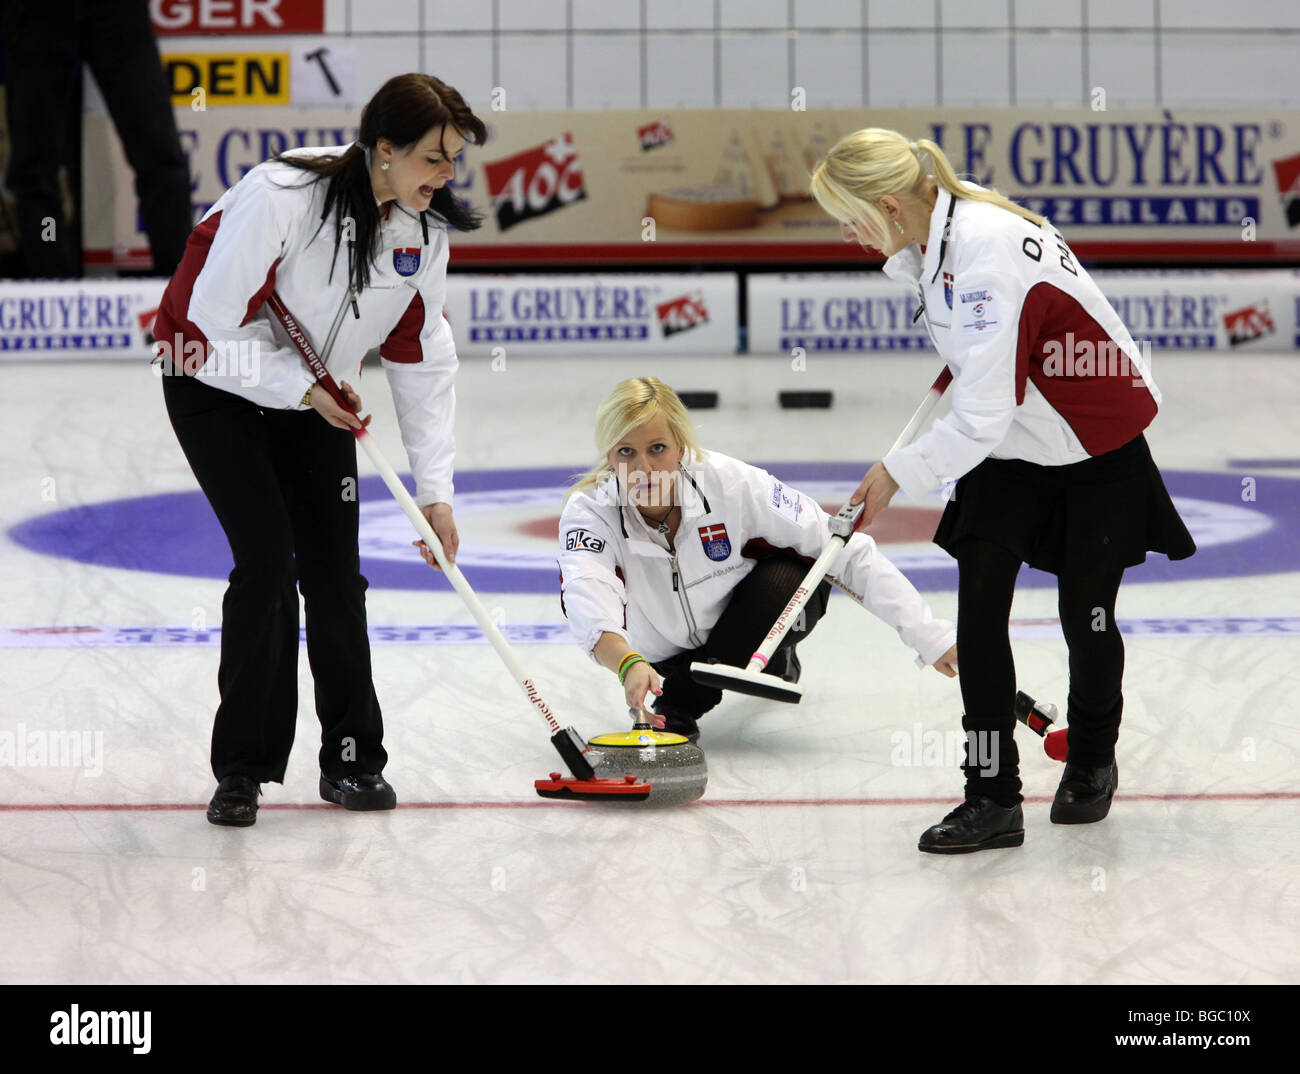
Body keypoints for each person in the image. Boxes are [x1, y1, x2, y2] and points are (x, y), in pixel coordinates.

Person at [810, 128, 1196, 854]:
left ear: (891, 204)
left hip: (1093, 446)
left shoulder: (984, 253)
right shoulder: (936, 240)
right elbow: (990, 392)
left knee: (1086, 616)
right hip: (1013, 445)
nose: (844, 232)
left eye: (849, 215)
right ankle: (991, 798)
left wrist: (898, 474)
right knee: (981, 619)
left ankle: (1090, 760)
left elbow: (983, 411)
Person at [155, 73, 486, 826]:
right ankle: (242, 768)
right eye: (435, 158)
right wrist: (305, 391)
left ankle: (351, 761)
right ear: (383, 148)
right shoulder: (281, 199)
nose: (447, 175)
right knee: (269, 563)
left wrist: (436, 494)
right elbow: (205, 332)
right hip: (212, 377)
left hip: (315, 396)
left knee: (336, 574)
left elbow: (421, 357)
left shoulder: (421, 231)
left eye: (454, 160)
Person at [551, 377, 958, 743]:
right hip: (658, 655)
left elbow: (843, 550)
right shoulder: (590, 511)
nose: (645, 469)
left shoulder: (732, 484)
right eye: (626, 452)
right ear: (608, 456)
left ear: (680, 447)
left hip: (751, 622)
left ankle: (682, 705)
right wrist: (627, 664)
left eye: (658, 449)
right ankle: (750, 665)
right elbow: (590, 600)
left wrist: (930, 636)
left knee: (793, 573)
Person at [2, 0, 191, 276]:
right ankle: (51, 287)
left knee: (159, 154)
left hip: (115, 10)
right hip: (36, 12)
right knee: (35, 170)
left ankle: (181, 285)